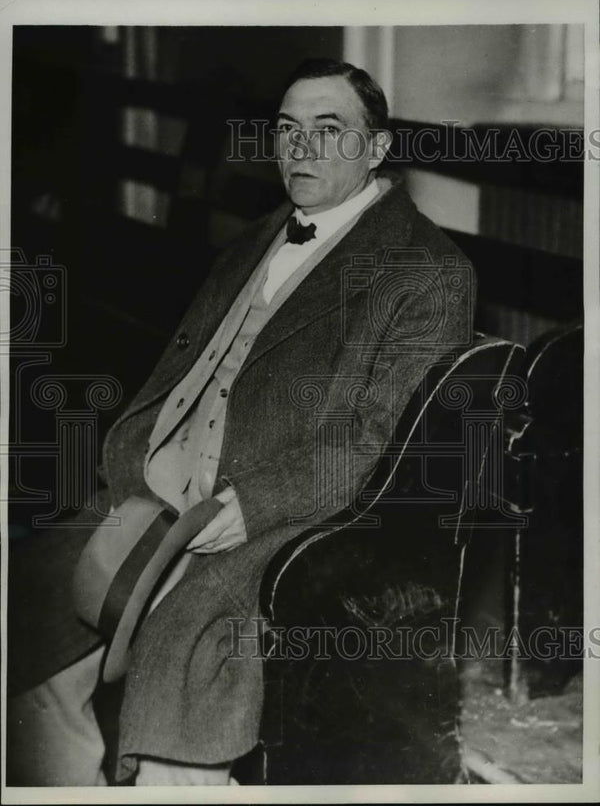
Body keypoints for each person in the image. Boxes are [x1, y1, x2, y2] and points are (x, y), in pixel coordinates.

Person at [7, 57, 475, 785]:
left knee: (181, 676)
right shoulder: (252, 239)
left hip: (280, 514)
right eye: (288, 130)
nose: (302, 148)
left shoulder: (427, 271)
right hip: (160, 494)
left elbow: (370, 440)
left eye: (330, 130)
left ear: (378, 149)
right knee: (28, 620)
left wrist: (251, 504)